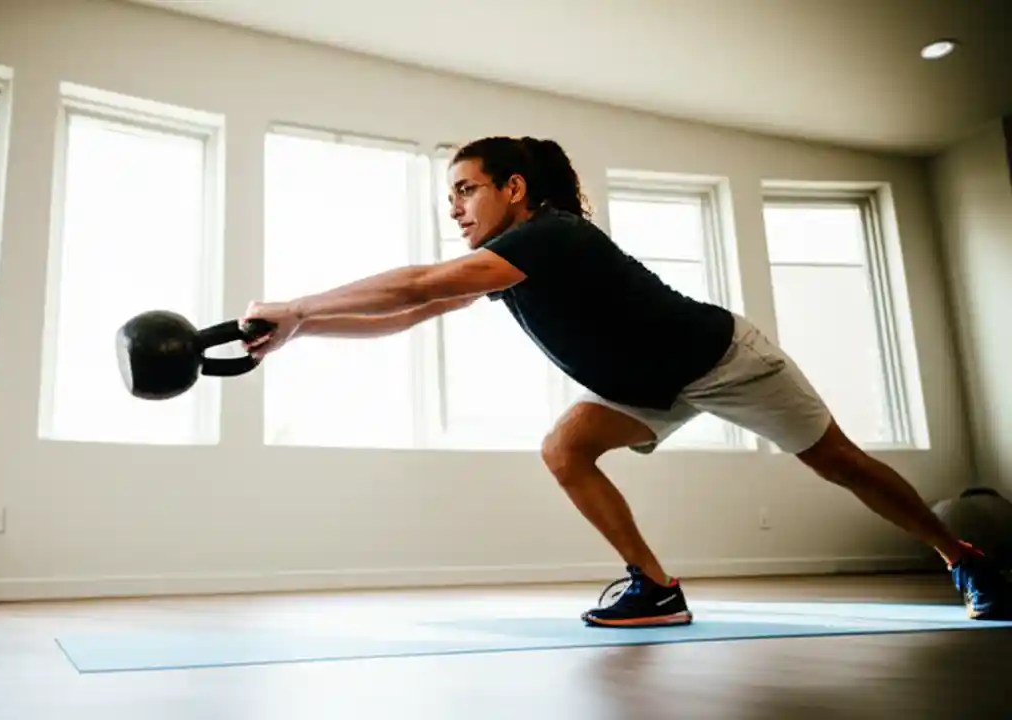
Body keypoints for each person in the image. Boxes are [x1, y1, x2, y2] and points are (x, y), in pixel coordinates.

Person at [239, 135, 1010, 627]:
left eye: (466, 190)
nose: (456, 209)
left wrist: (301, 304)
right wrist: (300, 330)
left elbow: (414, 285)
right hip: (640, 388)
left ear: (513, 188)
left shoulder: (551, 236)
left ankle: (961, 557)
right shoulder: (509, 260)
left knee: (838, 462)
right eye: (450, 198)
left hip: (724, 361)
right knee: (566, 446)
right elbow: (409, 314)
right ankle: (656, 587)